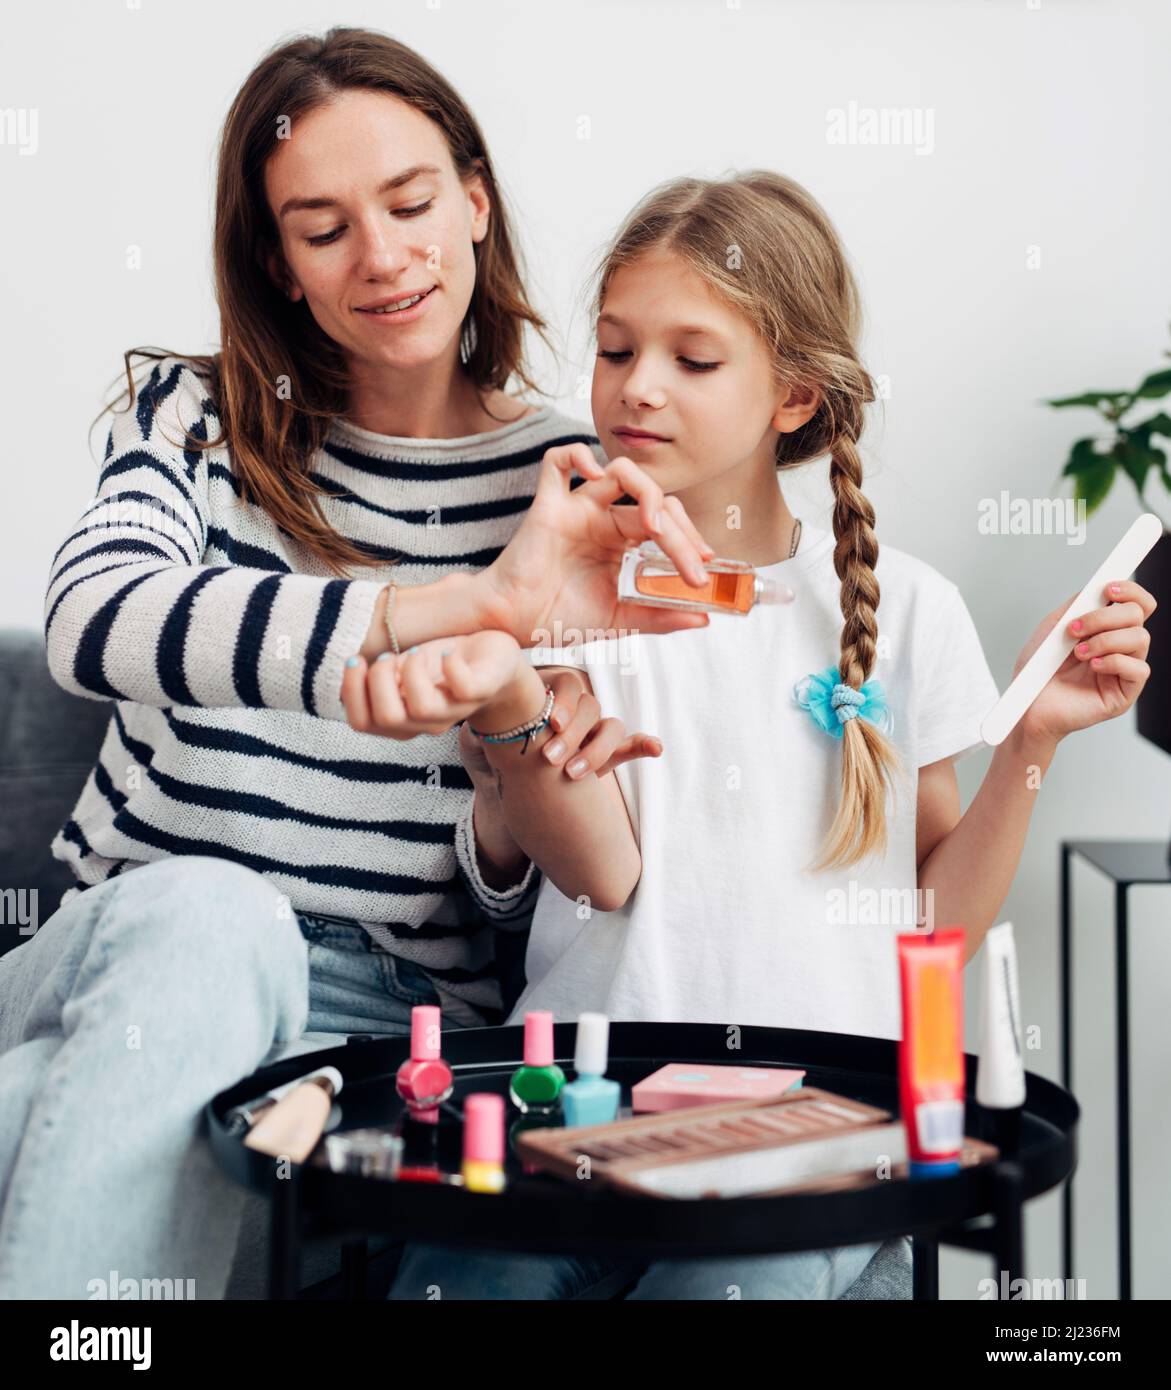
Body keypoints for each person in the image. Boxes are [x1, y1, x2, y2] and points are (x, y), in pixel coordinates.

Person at [0, 27, 713, 1300]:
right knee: (218, 912)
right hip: (126, 951)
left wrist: (523, 674)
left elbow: (521, 894)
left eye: (411, 201)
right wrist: (452, 603)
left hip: (380, 1026)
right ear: (276, 261)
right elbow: (94, 620)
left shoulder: (563, 479)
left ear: (477, 201)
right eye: (322, 228)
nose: (382, 258)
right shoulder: (196, 415)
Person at [384, 170, 1155, 1299]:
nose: (636, 387)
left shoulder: (904, 608)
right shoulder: (563, 585)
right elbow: (598, 869)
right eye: (613, 349)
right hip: (574, 1125)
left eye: (693, 360)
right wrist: (514, 698)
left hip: (813, 1142)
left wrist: (1033, 737)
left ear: (793, 395)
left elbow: (928, 923)